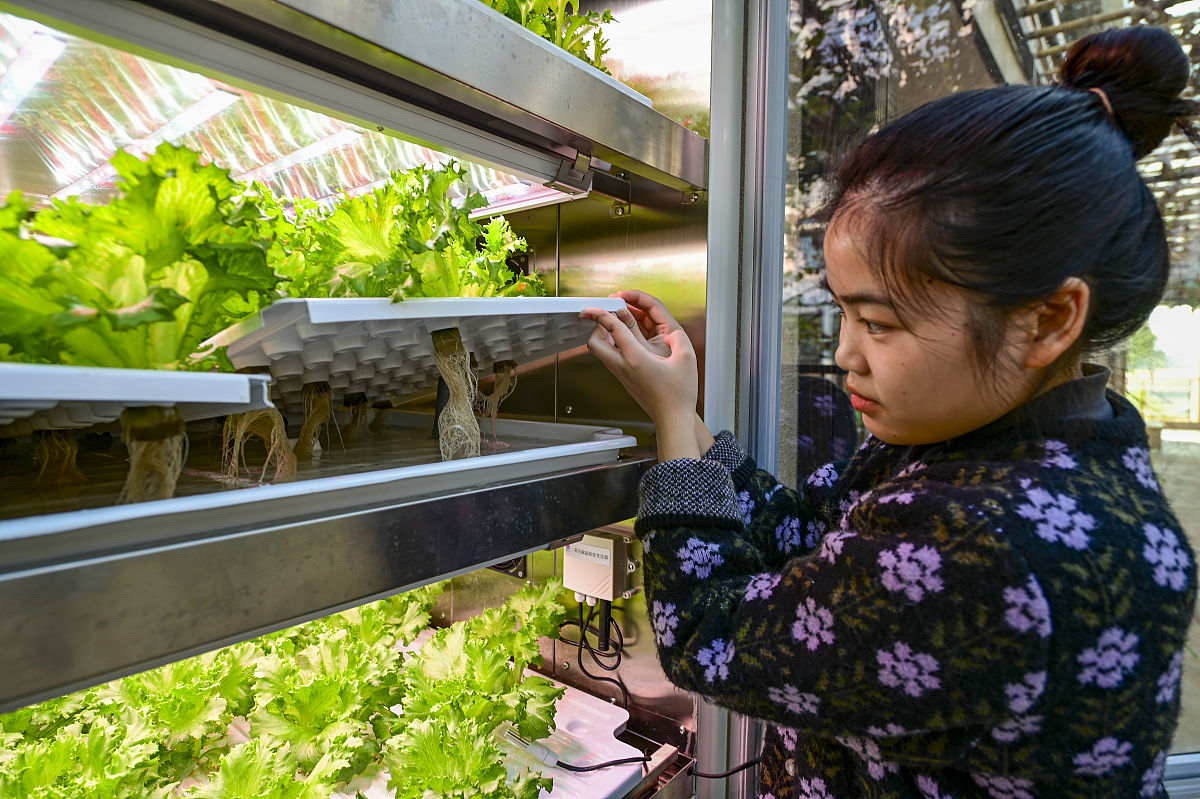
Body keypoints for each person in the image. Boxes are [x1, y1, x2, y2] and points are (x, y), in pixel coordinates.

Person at [582, 25, 1197, 799]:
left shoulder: (988, 550)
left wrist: (675, 430)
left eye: (880, 322)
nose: (846, 353)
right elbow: (810, 542)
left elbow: (711, 634)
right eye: (844, 313)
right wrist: (684, 406)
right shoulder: (1012, 446)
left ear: (1046, 320)